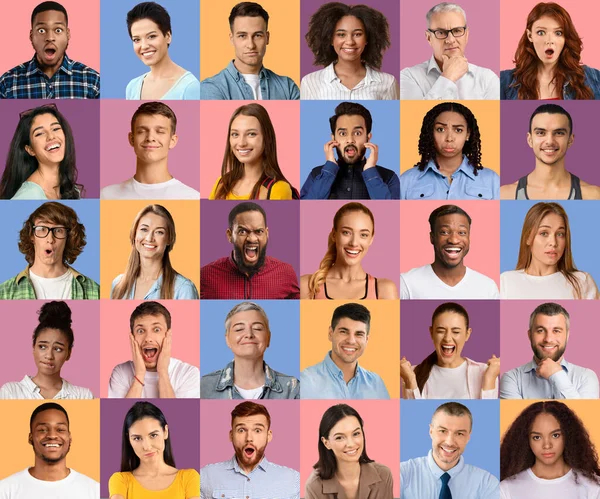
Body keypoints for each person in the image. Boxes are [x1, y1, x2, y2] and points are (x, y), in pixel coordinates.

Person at [200, 2, 299, 100]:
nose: (251, 45)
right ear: (232, 39)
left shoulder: (288, 87)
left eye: (257, 35)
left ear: (267, 38)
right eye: (242, 36)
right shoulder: (211, 88)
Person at [500, 2, 600, 100]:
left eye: (558, 33)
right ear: (530, 35)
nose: (549, 41)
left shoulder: (592, 77)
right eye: (541, 32)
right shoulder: (504, 82)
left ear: (565, 38)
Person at [400, 102, 499, 200]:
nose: (449, 138)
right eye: (440, 129)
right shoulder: (406, 180)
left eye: (458, 130)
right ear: (431, 133)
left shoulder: (491, 180)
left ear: (468, 134)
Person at [300, 102, 400, 200]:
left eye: (357, 133)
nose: (350, 140)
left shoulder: (388, 177)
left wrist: (371, 173)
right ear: (333, 138)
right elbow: (304, 210)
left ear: (368, 138)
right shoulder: (317, 174)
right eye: (343, 133)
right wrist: (329, 170)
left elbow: (392, 213)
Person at [101, 102, 200, 200]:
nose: (150, 138)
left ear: (172, 141)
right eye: (142, 131)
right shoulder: (107, 195)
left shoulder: (192, 197)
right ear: (131, 139)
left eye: (160, 132)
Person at [0, 1, 99, 99]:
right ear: (31, 36)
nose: (50, 37)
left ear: (67, 35)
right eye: (41, 30)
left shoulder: (93, 82)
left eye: (58, 30)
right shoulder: (7, 83)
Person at [0, 202, 99, 300]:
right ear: (32, 236)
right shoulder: (5, 293)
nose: (50, 239)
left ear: (68, 238)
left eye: (59, 230)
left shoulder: (94, 291)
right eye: (42, 229)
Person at [500, 401, 600, 497]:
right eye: (537, 437)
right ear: (526, 440)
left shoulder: (593, 487)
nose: (547, 445)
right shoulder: (506, 489)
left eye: (555, 435)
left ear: (568, 435)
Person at [200, 402, 300, 498]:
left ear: (268, 436)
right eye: (241, 430)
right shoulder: (206, 475)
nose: (249, 438)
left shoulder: (292, 480)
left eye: (257, 430)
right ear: (231, 435)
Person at [400, 302, 499, 399]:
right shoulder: (411, 373)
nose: (447, 338)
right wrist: (409, 380)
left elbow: (487, 414)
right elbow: (414, 414)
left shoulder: (486, 372)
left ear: (467, 334)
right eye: (441, 331)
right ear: (431, 333)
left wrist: (490, 378)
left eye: (455, 332)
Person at [200, 202, 299, 299]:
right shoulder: (206, 276)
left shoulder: (286, 273)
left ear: (267, 234)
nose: (252, 239)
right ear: (230, 235)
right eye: (242, 231)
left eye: (259, 231)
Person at [400, 2, 499, 100]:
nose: (450, 40)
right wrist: (448, 77)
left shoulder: (487, 78)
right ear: (429, 38)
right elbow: (414, 116)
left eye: (457, 31)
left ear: (467, 35)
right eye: (441, 32)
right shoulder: (409, 76)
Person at [500, 302, 599, 400]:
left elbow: (584, 415)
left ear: (567, 335)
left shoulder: (586, 377)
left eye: (556, 331)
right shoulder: (512, 378)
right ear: (530, 335)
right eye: (540, 331)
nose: (548, 339)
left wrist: (557, 375)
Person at [301, 2, 399, 100]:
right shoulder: (310, 82)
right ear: (331, 39)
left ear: (367, 39)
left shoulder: (388, 83)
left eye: (357, 34)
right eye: (341, 34)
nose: (350, 42)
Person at [500, 202, 598, 299]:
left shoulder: (582, 282)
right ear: (528, 238)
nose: (553, 243)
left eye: (560, 234)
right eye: (544, 233)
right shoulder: (506, 281)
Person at [500, 104, 600, 200]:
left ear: (570, 140)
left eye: (559, 133)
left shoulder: (593, 196)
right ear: (530, 139)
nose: (550, 141)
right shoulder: (505, 195)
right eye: (540, 133)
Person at [202, 301, 299, 399]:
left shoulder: (292, 388)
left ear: (268, 338)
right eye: (239, 329)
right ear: (227, 339)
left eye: (257, 328)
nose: (249, 334)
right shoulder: (203, 386)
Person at [401, 402, 499, 498]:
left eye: (459, 433)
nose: (450, 442)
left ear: (468, 436)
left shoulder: (487, 484)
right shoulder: (402, 474)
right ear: (431, 431)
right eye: (443, 431)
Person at [300, 202, 398, 299]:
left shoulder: (385, 290)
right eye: (346, 232)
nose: (354, 243)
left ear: (371, 239)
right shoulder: (307, 286)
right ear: (334, 234)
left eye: (363, 235)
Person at [400, 204, 500, 299]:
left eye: (462, 233)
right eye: (444, 232)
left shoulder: (487, 287)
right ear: (432, 237)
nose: (454, 240)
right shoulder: (407, 283)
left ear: (469, 238)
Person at [0, 402, 99, 497]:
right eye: (42, 430)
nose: (52, 435)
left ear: (70, 438)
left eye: (60, 429)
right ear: (30, 438)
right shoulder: (5, 490)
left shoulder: (94, 490)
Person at [0, 301, 92, 399]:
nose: (49, 356)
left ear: (68, 354)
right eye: (42, 347)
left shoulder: (83, 396)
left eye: (58, 349)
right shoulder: (11, 392)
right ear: (33, 347)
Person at [109, 401, 200, 498]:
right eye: (137, 438)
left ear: (165, 432)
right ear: (129, 440)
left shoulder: (189, 478)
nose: (147, 446)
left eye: (153, 435)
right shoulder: (120, 480)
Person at [108, 301, 199, 399]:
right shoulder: (121, 372)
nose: (148, 338)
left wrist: (163, 372)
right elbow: (121, 413)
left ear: (168, 335)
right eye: (140, 331)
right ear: (132, 337)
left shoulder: (188, 373)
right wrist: (139, 374)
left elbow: (174, 413)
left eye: (156, 329)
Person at [301, 303, 389, 399]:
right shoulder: (305, 382)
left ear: (366, 340)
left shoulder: (376, 384)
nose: (351, 340)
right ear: (331, 333)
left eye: (359, 334)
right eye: (343, 331)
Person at [209, 103, 296, 200]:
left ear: (267, 138)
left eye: (251, 134)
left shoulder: (278, 189)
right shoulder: (221, 184)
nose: (241, 143)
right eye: (235, 134)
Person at [111, 204, 199, 300]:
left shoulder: (183, 289)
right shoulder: (117, 284)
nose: (149, 238)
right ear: (134, 234)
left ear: (169, 239)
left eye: (159, 232)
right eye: (144, 229)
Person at [305, 404, 393, 498]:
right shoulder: (314, 486)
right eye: (339, 437)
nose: (351, 444)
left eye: (356, 434)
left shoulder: (383, 475)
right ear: (326, 443)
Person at [0, 104, 82, 200]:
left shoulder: (72, 190)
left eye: (55, 129)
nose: (51, 136)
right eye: (39, 133)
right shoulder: (27, 196)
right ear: (30, 149)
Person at [125, 2, 200, 100]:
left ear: (168, 36)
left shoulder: (189, 87)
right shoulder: (132, 87)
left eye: (151, 36)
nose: (144, 46)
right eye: (136, 39)